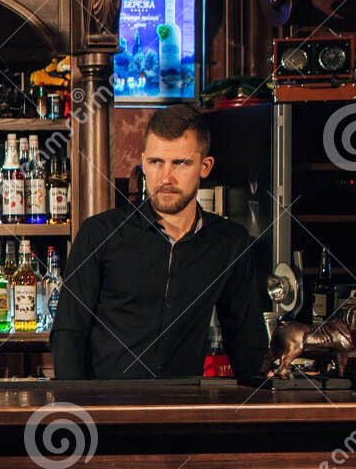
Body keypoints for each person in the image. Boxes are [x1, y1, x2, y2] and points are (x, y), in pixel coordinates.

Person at [52, 104, 269, 384]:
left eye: (180, 163)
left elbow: (246, 341)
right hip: (106, 411)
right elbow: (69, 331)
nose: (166, 178)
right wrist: (76, 410)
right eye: (156, 162)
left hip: (180, 412)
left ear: (205, 166)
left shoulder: (229, 242)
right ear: (143, 162)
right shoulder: (100, 233)